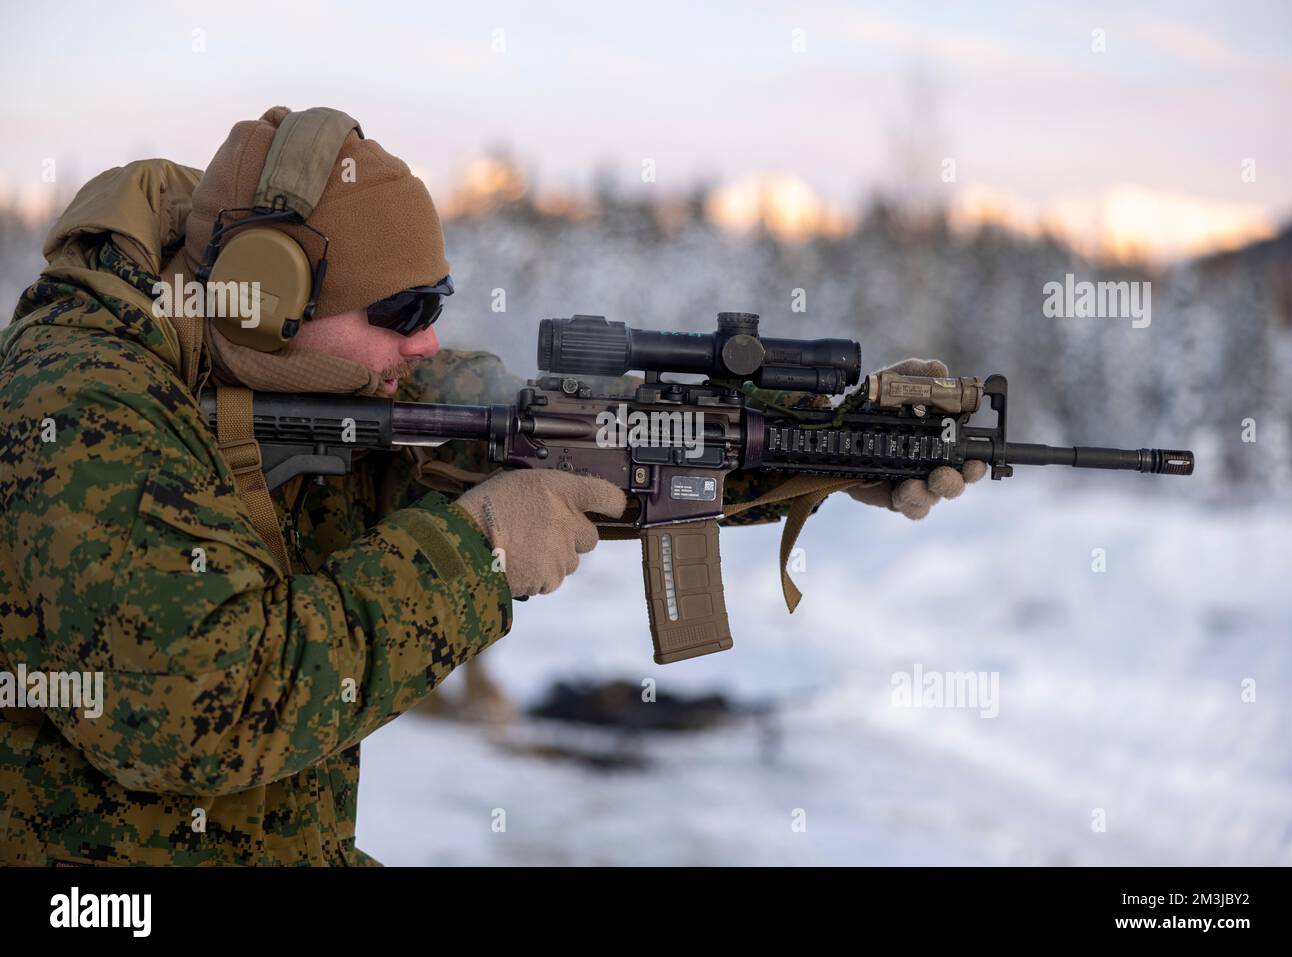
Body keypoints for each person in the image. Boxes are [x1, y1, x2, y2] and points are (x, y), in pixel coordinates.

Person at [0, 106, 984, 866]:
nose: (424, 341)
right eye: (402, 309)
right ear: (260, 300)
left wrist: (826, 447)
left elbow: (545, 430)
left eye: (438, 303)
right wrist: (475, 553)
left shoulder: (307, 371)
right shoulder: (79, 409)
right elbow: (209, 705)